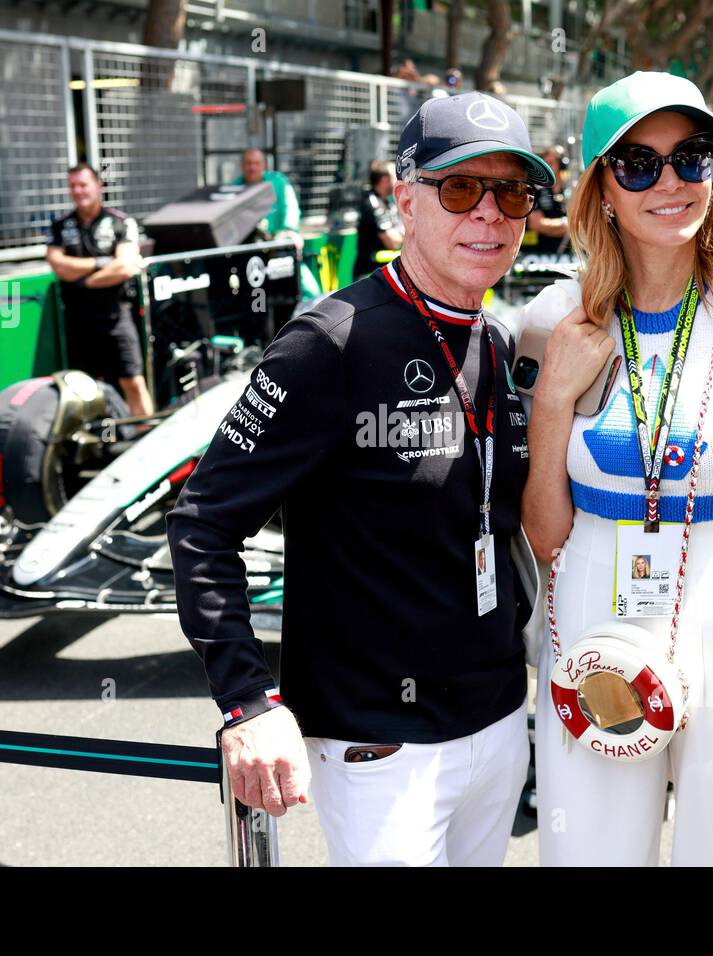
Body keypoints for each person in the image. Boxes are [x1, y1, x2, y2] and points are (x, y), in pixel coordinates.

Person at [167, 91, 554, 866]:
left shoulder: (503, 340)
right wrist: (246, 700)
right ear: (405, 200)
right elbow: (202, 523)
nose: (489, 214)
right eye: (459, 188)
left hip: (501, 722)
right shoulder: (330, 342)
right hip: (381, 747)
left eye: (511, 191)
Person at [521, 71, 713, 866]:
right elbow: (544, 533)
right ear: (601, 189)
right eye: (639, 164)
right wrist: (554, 399)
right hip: (595, 603)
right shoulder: (553, 320)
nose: (670, 182)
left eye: (691, 156)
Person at [45, 163, 152, 418]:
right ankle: (103, 447)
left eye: (83, 184)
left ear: (98, 186)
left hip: (115, 314)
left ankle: (145, 440)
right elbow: (58, 265)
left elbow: (126, 267)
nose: (78, 191)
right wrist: (99, 263)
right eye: (72, 186)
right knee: (85, 387)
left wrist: (86, 281)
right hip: (78, 319)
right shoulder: (60, 226)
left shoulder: (120, 222)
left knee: (133, 382)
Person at [233, 148, 320, 298]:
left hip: (279, 250)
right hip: (249, 256)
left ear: (264, 166)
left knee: (308, 291)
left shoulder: (278, 182)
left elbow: (290, 208)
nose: (252, 167)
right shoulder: (235, 186)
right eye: (248, 163)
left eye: (256, 163)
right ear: (242, 166)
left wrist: (289, 231)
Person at [353, 160, 402, 279]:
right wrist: (406, 236)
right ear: (385, 180)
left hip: (386, 271)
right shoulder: (372, 203)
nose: (399, 179)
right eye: (395, 176)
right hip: (370, 275)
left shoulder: (387, 201)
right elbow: (392, 243)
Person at [527, 145, 570, 254]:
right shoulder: (536, 190)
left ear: (562, 165)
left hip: (568, 257)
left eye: (551, 163)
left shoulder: (572, 190)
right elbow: (535, 224)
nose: (547, 168)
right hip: (540, 257)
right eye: (545, 164)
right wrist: (568, 225)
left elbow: (583, 225)